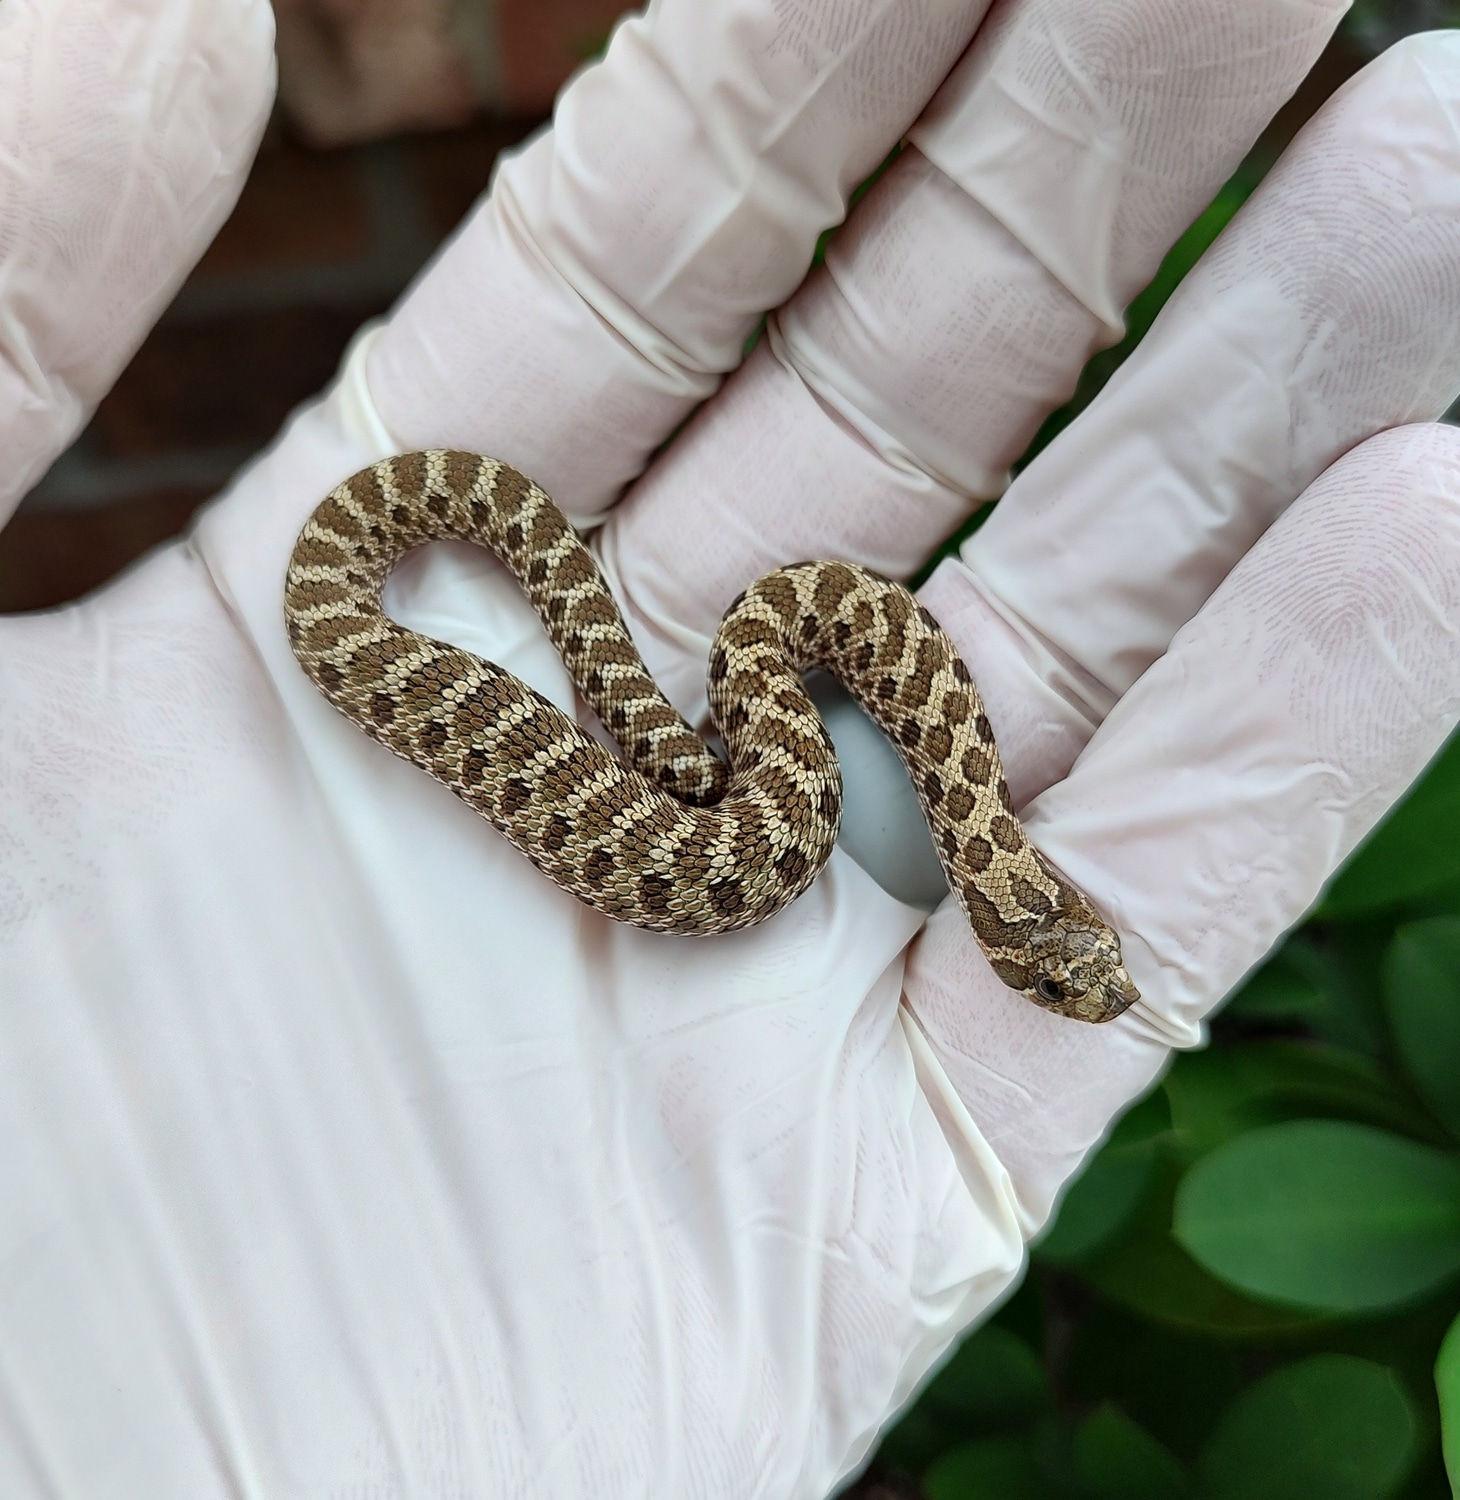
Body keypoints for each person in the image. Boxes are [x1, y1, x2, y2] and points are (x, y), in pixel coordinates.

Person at [2, 0, 1459, 1494]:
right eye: (1065, 967)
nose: (1074, 981)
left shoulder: (917, 796)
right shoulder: (877, 778)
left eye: (1059, 973)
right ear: (1031, 913)